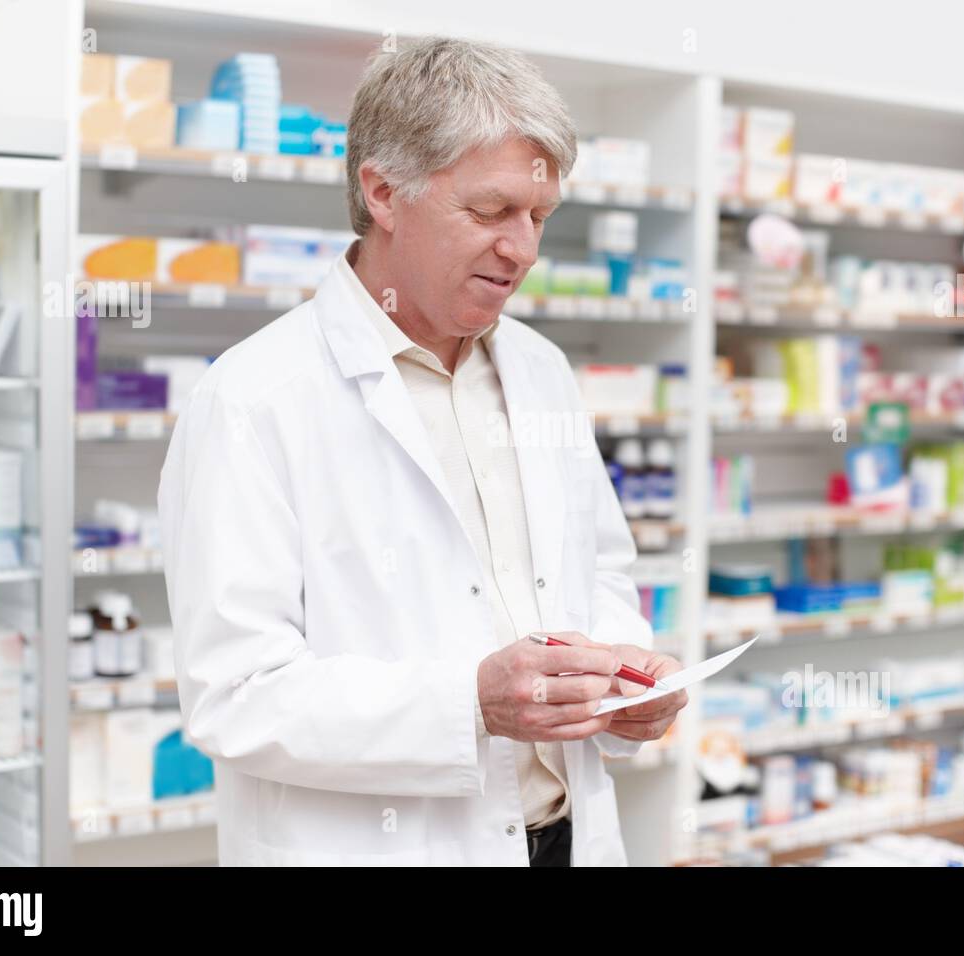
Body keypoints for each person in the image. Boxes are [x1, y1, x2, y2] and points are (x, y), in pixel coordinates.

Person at [157, 35, 687, 867]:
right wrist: (468, 703)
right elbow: (235, 694)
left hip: (567, 839)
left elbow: (600, 573)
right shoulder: (254, 400)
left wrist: (622, 676)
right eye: (489, 212)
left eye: (540, 217)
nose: (524, 250)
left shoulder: (541, 372)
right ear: (383, 192)